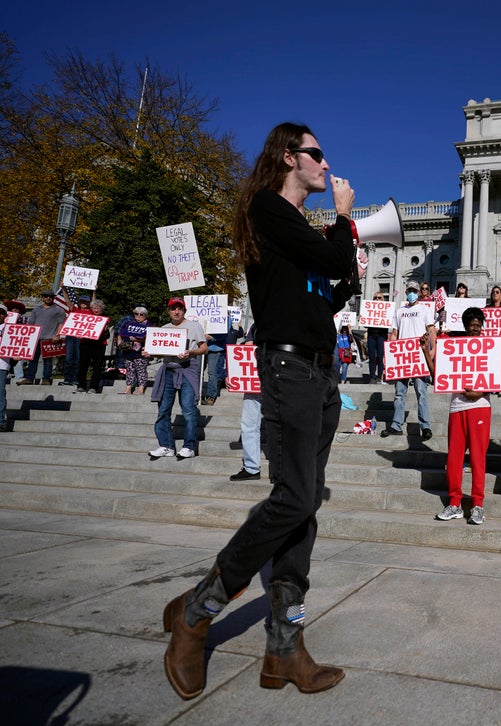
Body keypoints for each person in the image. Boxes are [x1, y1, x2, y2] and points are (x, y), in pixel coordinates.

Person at [162, 122, 357, 700]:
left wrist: (346, 269)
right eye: (317, 154)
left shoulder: (297, 229)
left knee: (305, 507)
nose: (326, 164)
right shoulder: (267, 209)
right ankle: (197, 613)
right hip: (290, 368)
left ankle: (283, 648)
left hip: (321, 371)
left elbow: (324, 293)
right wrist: (344, 221)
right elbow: (326, 255)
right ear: (287, 157)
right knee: (294, 498)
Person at [421, 307, 492, 525]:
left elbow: (495, 377)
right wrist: (426, 352)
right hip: (457, 408)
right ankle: (455, 503)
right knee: (454, 458)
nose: (475, 329)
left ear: (482, 326)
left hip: (480, 406)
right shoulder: (454, 348)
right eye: (471, 325)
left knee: (478, 458)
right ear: (465, 326)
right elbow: (438, 376)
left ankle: (478, 505)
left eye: (478, 325)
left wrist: (480, 392)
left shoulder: (490, 347)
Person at [146, 297, 207, 459]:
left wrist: (190, 352)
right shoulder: (164, 328)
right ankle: (166, 445)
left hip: (187, 369)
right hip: (168, 370)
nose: (176, 311)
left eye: (179, 308)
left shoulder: (194, 326)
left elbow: (204, 348)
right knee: (163, 410)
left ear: (184, 310)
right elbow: (160, 351)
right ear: (169, 311)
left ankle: (189, 446)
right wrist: (149, 352)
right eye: (173, 308)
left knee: (188, 409)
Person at [381, 280, 436, 440]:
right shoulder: (399, 311)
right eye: (409, 290)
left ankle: (425, 426)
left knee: (421, 392)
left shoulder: (425, 310)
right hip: (401, 358)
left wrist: (432, 351)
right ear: (406, 292)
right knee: (399, 393)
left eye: (414, 290)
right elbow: (394, 334)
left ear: (418, 292)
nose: (411, 293)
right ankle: (396, 425)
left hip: (418, 356)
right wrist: (388, 357)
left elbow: (431, 330)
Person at [230, 323, 262, 482]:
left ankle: (284, 469)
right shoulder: (257, 325)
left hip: (280, 382)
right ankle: (251, 467)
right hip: (255, 383)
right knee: (249, 425)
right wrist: (236, 375)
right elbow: (247, 349)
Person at [17, 291, 66, 386]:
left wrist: (58, 335)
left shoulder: (58, 310)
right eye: (46, 296)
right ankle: (29, 378)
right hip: (35, 338)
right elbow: (30, 323)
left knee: (47, 361)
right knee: (32, 359)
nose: (48, 298)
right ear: (42, 298)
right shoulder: (36, 310)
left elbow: (61, 323)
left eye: (50, 296)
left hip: (49, 339)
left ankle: (46, 379)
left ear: (53, 298)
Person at [68, 299, 111, 394]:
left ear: (102, 310)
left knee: (97, 366)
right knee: (83, 365)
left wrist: (105, 329)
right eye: (94, 308)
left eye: (98, 308)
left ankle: (94, 387)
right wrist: (78, 333)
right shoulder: (85, 318)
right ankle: (81, 386)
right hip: (85, 343)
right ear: (91, 309)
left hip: (99, 344)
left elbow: (104, 330)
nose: (96, 310)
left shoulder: (105, 319)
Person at [59, 295, 91, 387]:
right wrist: (64, 289)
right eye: (82, 301)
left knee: (79, 359)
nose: (83, 303)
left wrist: (94, 291)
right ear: (79, 302)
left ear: (89, 303)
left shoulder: (91, 312)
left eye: (85, 302)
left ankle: (77, 379)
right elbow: (67, 301)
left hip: (82, 338)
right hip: (71, 336)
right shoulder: (75, 310)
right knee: (69, 358)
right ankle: (67, 379)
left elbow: (94, 302)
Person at [117, 306, 149, 394]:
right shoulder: (130, 324)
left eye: (141, 314)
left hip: (140, 352)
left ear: (145, 315)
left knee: (141, 370)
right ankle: (128, 388)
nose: (138, 316)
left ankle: (141, 389)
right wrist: (120, 340)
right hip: (129, 351)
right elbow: (121, 333)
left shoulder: (148, 325)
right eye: (136, 314)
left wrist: (137, 339)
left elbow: (150, 338)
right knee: (129, 370)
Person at [366, 292, 388, 384]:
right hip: (371, 334)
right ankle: (372, 377)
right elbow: (365, 323)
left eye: (379, 297)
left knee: (380, 357)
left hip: (381, 335)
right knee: (371, 356)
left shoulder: (387, 309)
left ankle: (379, 377)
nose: (377, 299)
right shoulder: (369, 309)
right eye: (375, 297)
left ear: (382, 299)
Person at [0, 303, 8, 431]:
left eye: (1, 313)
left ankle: (1, 421)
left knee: (0, 394)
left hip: (2, 364)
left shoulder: (10, 328)